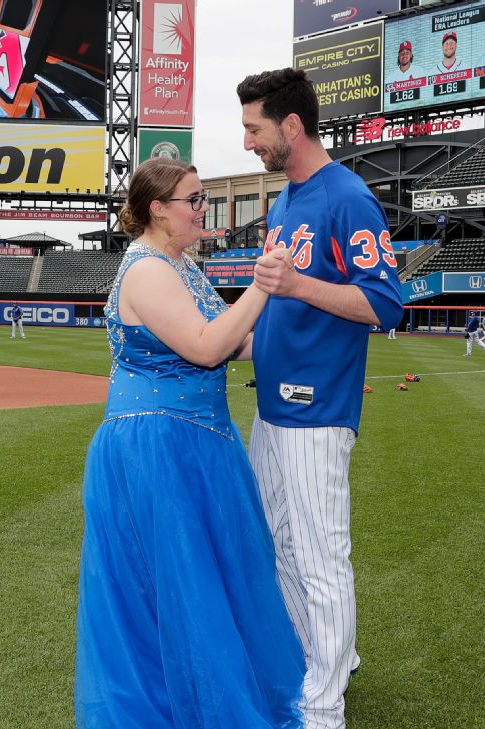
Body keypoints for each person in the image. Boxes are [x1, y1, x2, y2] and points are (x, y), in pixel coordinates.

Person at [75, 157, 306, 728]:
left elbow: (236, 342)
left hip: (195, 441)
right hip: (157, 447)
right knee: (180, 583)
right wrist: (262, 284)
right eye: (194, 200)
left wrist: (303, 316)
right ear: (158, 209)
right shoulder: (147, 270)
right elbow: (206, 346)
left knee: (208, 578)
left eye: (204, 198)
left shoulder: (180, 264)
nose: (204, 209)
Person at [238, 68, 403, 729]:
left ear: (292, 125)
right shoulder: (285, 200)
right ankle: (323, 657)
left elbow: (386, 304)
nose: (248, 141)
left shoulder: (347, 197)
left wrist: (299, 284)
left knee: (321, 556)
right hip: (272, 407)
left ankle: (324, 706)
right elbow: (278, 306)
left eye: (254, 128)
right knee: (276, 542)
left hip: (317, 409)